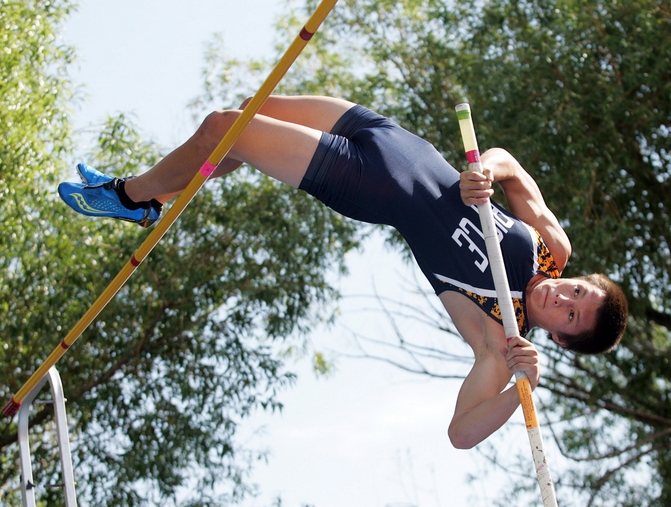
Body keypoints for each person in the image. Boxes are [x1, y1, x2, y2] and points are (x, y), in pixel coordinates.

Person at [58, 95, 628, 449]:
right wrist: (484, 171)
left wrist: (524, 388)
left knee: (223, 128)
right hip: (387, 136)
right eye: (578, 292)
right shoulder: (551, 248)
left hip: (367, 182)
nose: (564, 298)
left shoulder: (496, 335)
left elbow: (461, 433)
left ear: (560, 337)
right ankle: (152, 197)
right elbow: (512, 167)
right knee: (243, 118)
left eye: (570, 316)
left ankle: (130, 196)